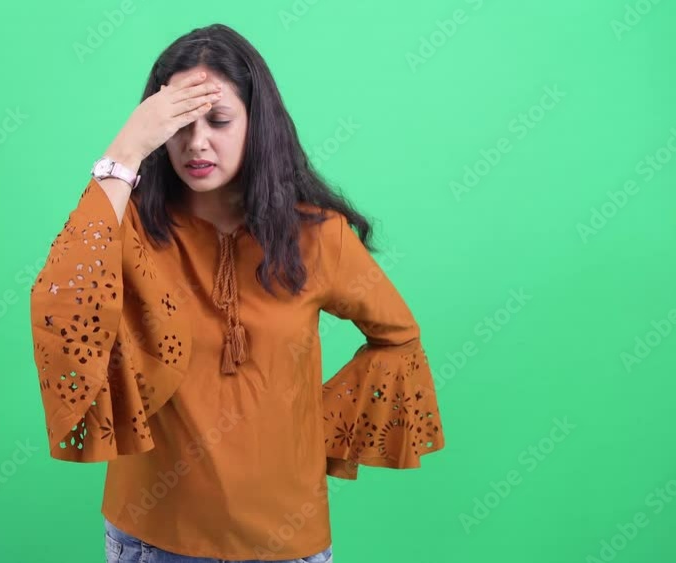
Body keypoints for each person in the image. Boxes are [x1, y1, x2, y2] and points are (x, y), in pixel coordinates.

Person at [28, 23, 445, 563]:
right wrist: (126, 150)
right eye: (178, 123)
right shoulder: (130, 229)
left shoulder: (317, 236)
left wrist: (309, 432)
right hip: (152, 538)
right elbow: (63, 308)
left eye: (219, 121)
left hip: (289, 542)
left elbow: (399, 338)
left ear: (256, 123)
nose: (197, 142)